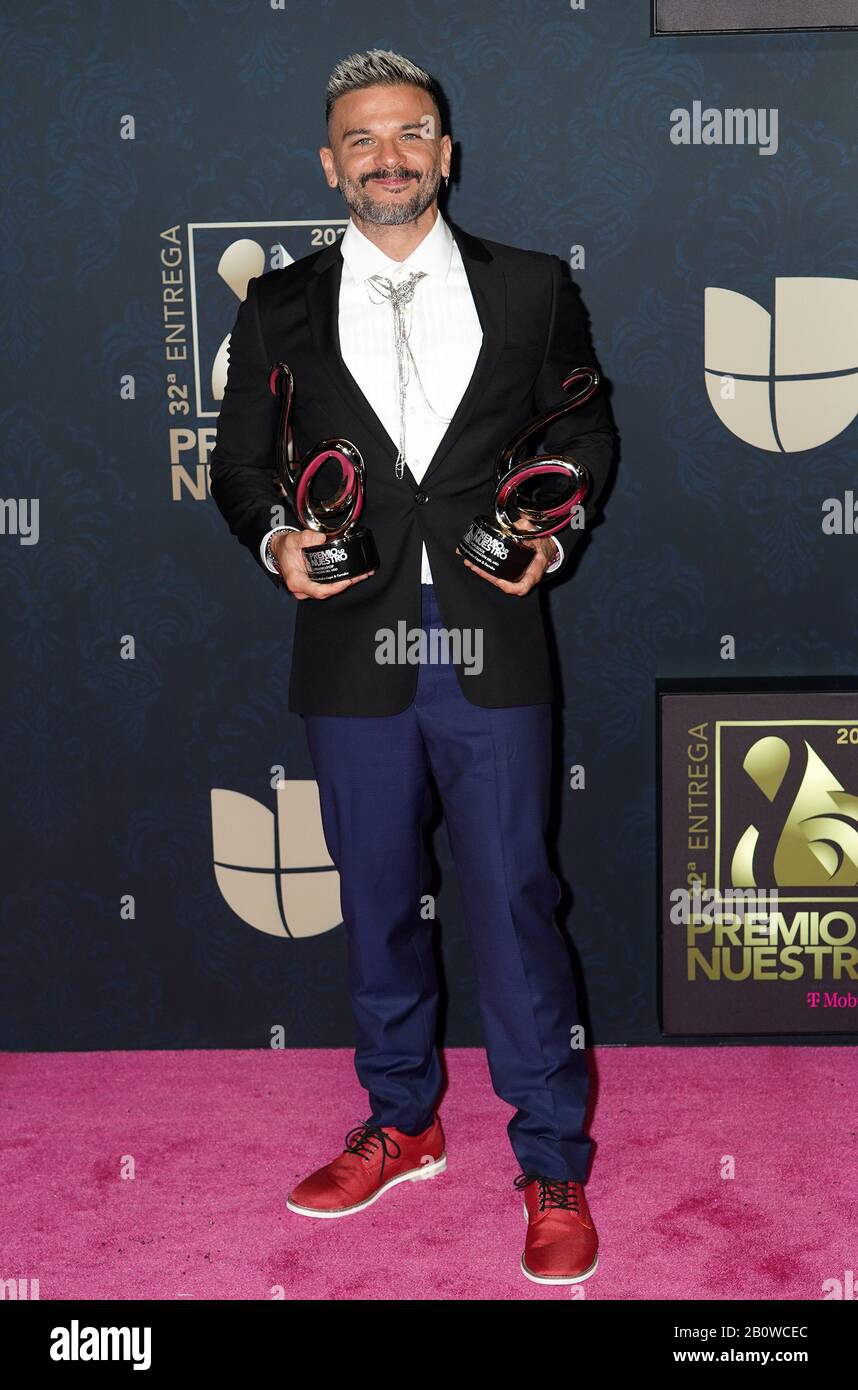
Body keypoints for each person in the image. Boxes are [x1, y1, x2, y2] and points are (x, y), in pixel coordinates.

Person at [209, 47, 617, 1285]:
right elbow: (239, 466)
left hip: (487, 644)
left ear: (444, 151)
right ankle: (405, 1121)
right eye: (362, 139)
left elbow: (585, 427)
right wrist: (278, 538)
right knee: (377, 904)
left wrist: (555, 529)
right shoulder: (278, 305)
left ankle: (549, 1156)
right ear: (330, 166)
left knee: (513, 903)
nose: (388, 156)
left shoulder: (536, 287)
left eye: (411, 133)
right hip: (351, 645)